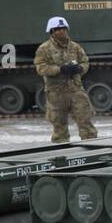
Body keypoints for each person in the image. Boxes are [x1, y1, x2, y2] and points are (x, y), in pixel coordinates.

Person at [33, 16, 98, 144]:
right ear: (51, 31)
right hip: (56, 92)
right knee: (59, 126)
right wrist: (60, 69)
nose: (61, 31)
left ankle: (92, 146)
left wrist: (79, 68)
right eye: (57, 29)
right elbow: (41, 68)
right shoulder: (44, 49)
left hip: (76, 89)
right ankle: (61, 151)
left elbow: (85, 61)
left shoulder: (75, 47)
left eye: (63, 29)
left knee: (85, 121)